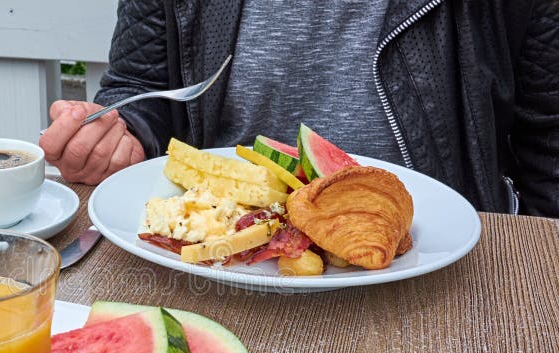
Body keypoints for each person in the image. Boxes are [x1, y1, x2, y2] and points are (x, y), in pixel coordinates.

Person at [39, 1, 559, 218]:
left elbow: (550, 146)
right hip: (221, 251)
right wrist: (118, 135)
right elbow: (141, 87)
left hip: (429, 259)